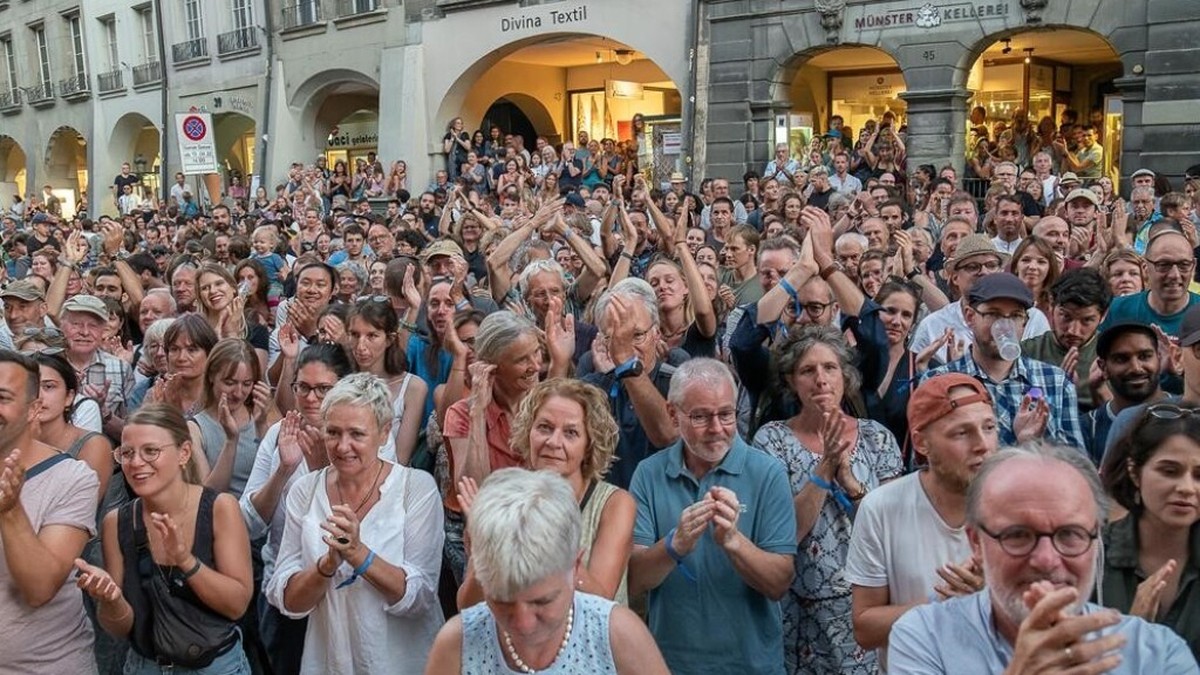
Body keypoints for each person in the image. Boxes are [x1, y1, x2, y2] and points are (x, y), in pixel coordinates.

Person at [887, 444, 1196, 673]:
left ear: (1096, 540)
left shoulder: (1156, 653)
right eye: (1018, 535)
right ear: (976, 542)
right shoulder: (924, 636)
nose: (1047, 560)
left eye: (1070, 534)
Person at [266, 373, 445, 675]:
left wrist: (359, 555)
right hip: (330, 661)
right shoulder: (305, 491)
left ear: (385, 432)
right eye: (333, 432)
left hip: (403, 663)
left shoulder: (415, 489)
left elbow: (421, 598)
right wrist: (327, 565)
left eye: (357, 434)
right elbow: (288, 601)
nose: (342, 446)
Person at [628, 358, 796, 674]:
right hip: (671, 664)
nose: (717, 429)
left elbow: (779, 584)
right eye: (701, 416)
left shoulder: (767, 473)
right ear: (672, 414)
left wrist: (733, 542)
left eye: (726, 414)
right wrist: (674, 546)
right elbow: (635, 581)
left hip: (751, 665)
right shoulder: (649, 474)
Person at [752, 326, 903, 674]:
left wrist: (850, 484)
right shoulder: (772, 440)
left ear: (845, 376)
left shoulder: (876, 438)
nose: (820, 379)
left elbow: (891, 534)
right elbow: (784, 535)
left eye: (830, 368)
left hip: (862, 609)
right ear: (791, 380)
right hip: (797, 613)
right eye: (808, 370)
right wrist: (825, 468)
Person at [424, 469, 669, 674]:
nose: (523, 624)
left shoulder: (617, 636)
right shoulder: (457, 645)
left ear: (575, 567)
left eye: (542, 601)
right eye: (501, 599)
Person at [74, 403, 254, 674]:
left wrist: (185, 560)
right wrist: (111, 601)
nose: (136, 463)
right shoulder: (117, 522)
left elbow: (236, 605)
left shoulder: (219, 508)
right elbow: (120, 627)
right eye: (127, 453)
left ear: (184, 453)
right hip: (145, 665)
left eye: (151, 451)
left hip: (215, 666)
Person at [846, 373, 999, 661]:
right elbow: (865, 630)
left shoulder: (1018, 508)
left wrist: (988, 598)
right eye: (962, 433)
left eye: (989, 427)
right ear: (921, 442)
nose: (983, 445)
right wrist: (941, 605)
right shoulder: (882, 508)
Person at [456, 378, 636, 608]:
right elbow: (468, 606)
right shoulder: (502, 496)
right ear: (527, 431)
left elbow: (600, 601)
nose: (553, 441)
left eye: (570, 432)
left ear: (589, 445)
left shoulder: (614, 504)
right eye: (544, 427)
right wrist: (489, 538)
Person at [241, 344, 353, 675]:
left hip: (343, 592)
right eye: (302, 387)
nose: (310, 397)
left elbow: (365, 519)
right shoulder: (279, 434)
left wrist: (322, 468)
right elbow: (249, 523)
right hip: (285, 592)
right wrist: (284, 471)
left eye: (323, 389)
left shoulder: (363, 440)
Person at [0, 350, 99, 674]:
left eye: (2, 397)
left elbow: (40, 587)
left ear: (33, 409)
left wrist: (11, 510)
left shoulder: (72, 478)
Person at [924, 272, 1086, 449]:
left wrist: (1032, 444)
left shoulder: (1055, 381)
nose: (1005, 326)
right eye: (994, 314)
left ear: (1025, 322)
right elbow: (928, 462)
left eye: (1016, 316)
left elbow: (1076, 463)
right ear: (970, 317)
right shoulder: (938, 382)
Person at [1101, 404, 1200, 659]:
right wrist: (1132, 633)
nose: (1187, 487)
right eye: (1169, 471)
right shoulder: (1093, 556)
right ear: (1135, 472)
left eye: (1199, 475)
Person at [187, 338, 273, 497]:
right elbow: (208, 496)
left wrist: (261, 425)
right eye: (230, 383)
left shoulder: (263, 412)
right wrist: (231, 440)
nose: (238, 392)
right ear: (212, 376)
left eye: (247, 384)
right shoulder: (195, 428)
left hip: (260, 515)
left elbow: (275, 477)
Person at [1020, 268, 1110, 410]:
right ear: (1051, 305)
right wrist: (1055, 390)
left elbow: (1123, 418)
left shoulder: (1111, 354)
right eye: (1066, 317)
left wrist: (1098, 390)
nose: (1073, 330)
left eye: (1086, 320)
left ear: (1103, 315)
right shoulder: (1028, 352)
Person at [1084, 322, 1166, 465]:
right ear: (1103, 367)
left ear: (1159, 358)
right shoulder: (1088, 428)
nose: (1136, 368)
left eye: (1145, 356)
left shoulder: (1187, 412)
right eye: (1122, 359)